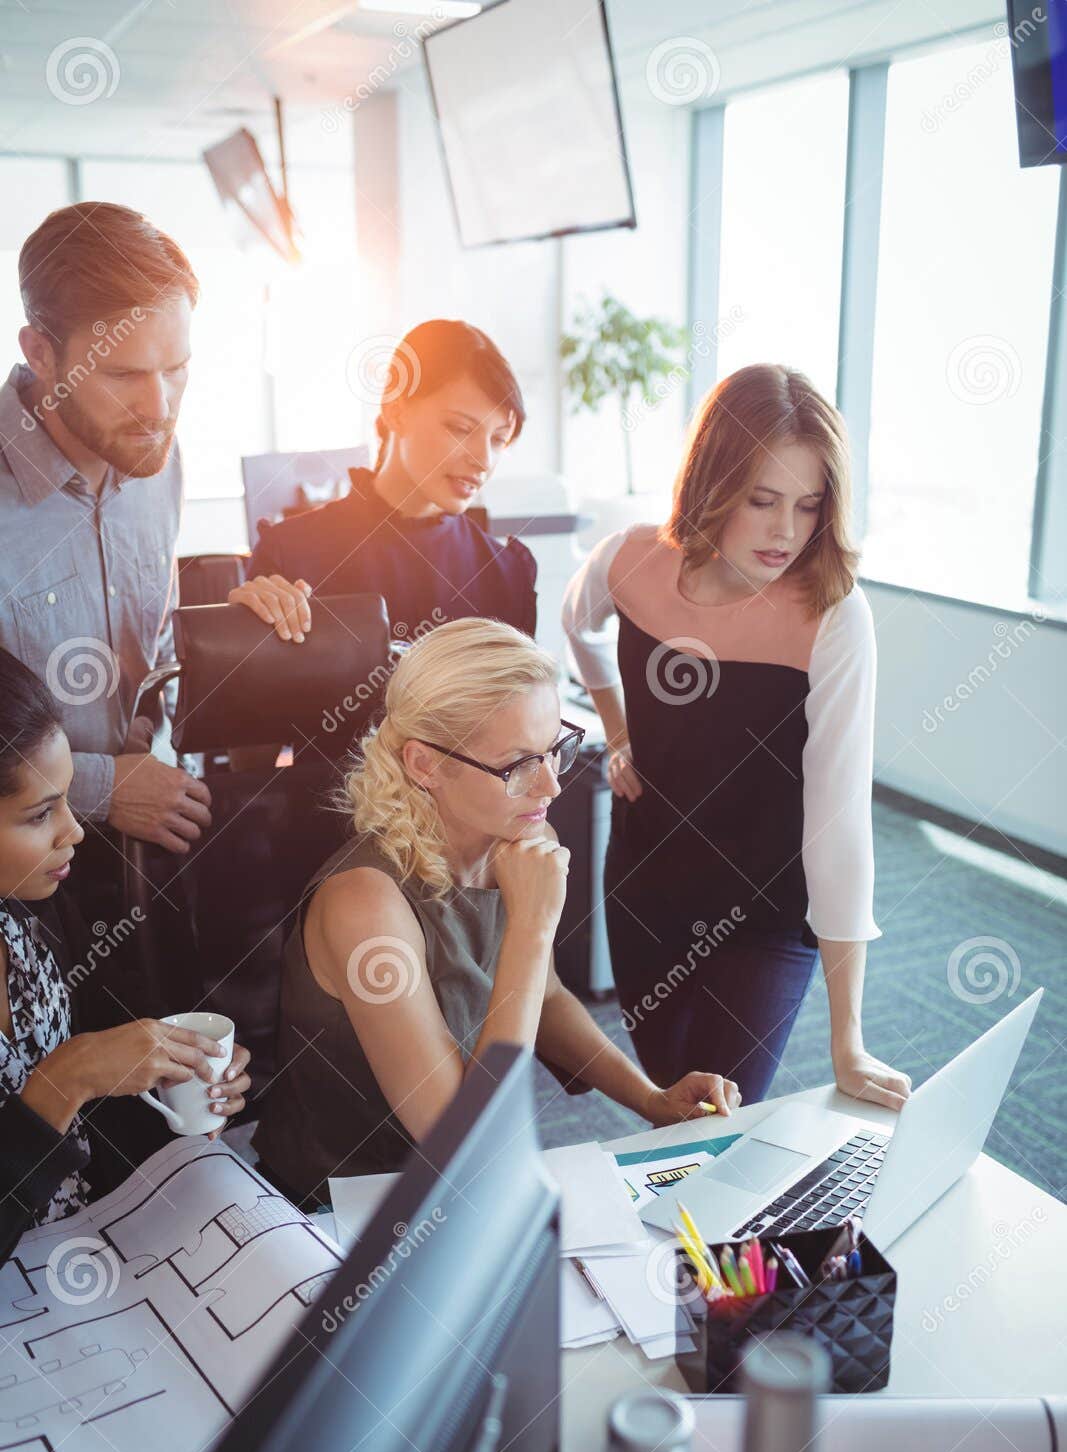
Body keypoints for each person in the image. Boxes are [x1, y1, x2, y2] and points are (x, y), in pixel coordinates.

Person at [252, 618, 739, 1207]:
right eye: (517, 766)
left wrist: (650, 1099)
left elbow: (545, 998)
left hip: (473, 1193)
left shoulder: (510, 836)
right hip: (352, 1212)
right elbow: (463, 1145)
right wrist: (533, 928)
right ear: (425, 765)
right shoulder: (365, 906)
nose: (552, 788)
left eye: (555, 748)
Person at [562, 363, 912, 1111]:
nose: (786, 531)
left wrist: (845, 1039)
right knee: (668, 1109)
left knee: (720, 1124)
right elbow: (577, 625)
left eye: (808, 505)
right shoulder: (630, 560)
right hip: (645, 883)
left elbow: (839, 823)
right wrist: (617, 729)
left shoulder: (831, 616)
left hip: (764, 912)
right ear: (713, 482)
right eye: (762, 500)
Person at [0, 648, 252, 1266]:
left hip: (91, 1254)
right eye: (41, 815)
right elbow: (82, 1071)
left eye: (66, 799)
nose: (76, 830)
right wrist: (65, 1081)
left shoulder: (34, 908)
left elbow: (122, 1028)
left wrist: (178, 1071)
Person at [0, 202, 212, 868]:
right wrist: (98, 789)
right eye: (122, 374)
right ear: (39, 352)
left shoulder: (159, 458)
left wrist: (241, 638)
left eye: (175, 368)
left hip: (150, 845)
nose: (160, 408)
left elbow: (156, 639)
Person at [228, 320, 538, 652]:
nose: (483, 460)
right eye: (461, 428)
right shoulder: (288, 556)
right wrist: (232, 633)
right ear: (396, 411)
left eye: (499, 440)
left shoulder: (506, 574)